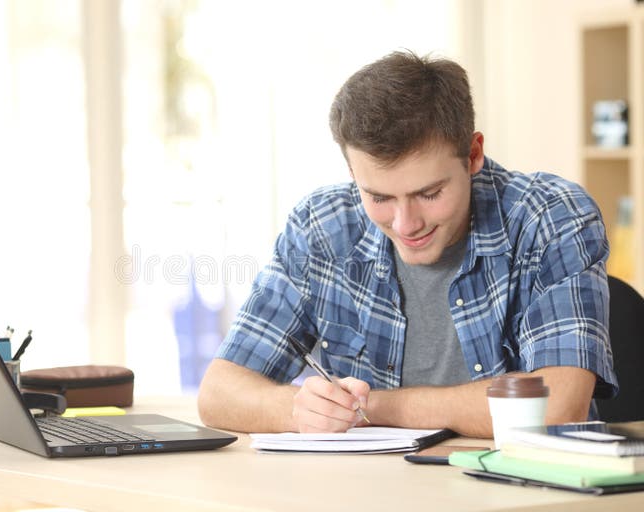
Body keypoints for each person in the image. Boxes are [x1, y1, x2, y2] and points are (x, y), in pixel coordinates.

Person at [197, 51, 617, 438]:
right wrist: (297, 408)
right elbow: (218, 394)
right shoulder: (321, 227)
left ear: (473, 155)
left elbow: (556, 406)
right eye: (379, 197)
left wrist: (371, 406)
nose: (406, 224)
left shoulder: (550, 217)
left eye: (429, 193)